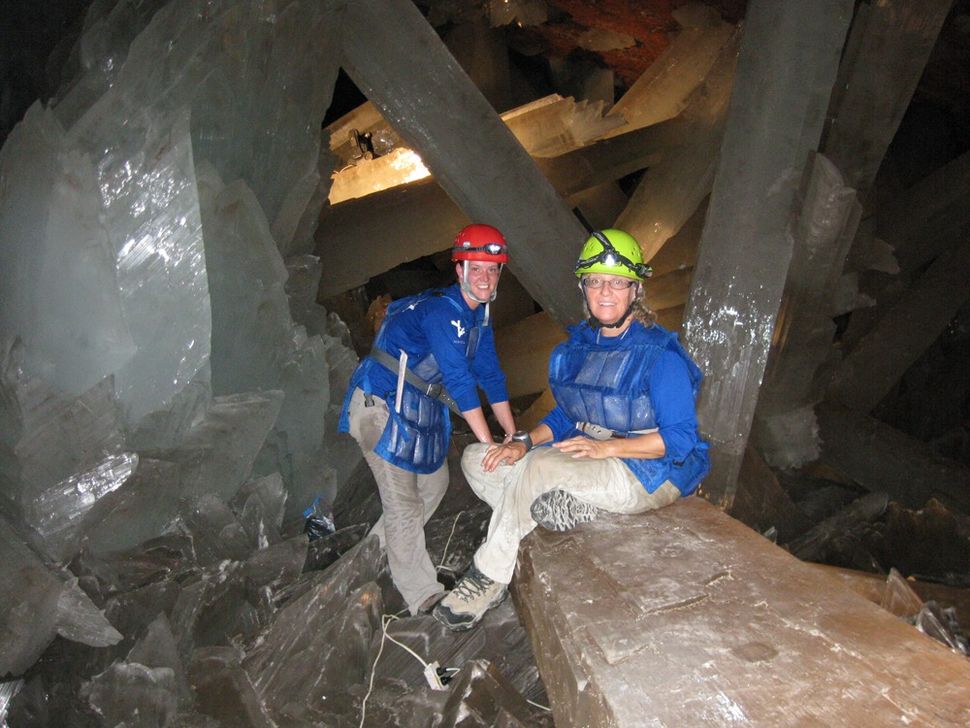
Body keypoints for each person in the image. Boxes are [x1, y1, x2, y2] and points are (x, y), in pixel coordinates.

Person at [433, 228, 710, 631]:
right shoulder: (580, 348)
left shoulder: (660, 356)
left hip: (650, 471)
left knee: (541, 468)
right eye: (595, 281)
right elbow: (566, 417)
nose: (605, 292)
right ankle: (563, 508)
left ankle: (489, 576)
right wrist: (524, 442)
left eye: (617, 282)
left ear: (635, 290)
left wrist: (607, 450)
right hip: (592, 457)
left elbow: (681, 441)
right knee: (479, 458)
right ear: (584, 288)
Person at [338, 223, 518, 616]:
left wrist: (512, 434)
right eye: (476, 268)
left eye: (492, 269)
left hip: (413, 409)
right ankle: (422, 596)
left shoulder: (478, 317)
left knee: (434, 484)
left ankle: (370, 558)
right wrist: (489, 446)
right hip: (378, 405)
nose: (485, 278)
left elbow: (490, 375)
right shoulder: (442, 312)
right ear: (460, 270)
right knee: (403, 503)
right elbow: (460, 380)